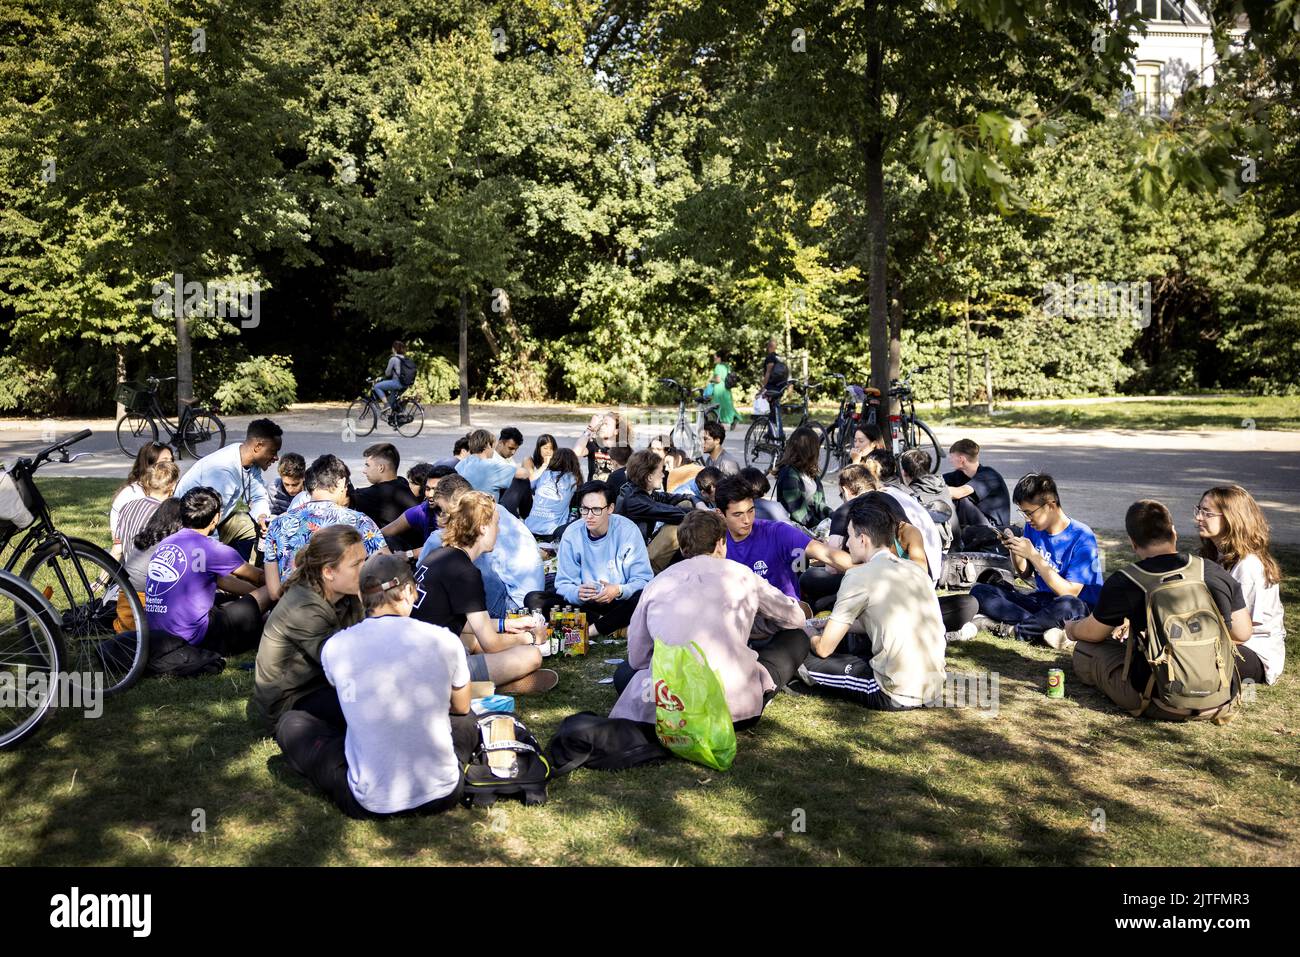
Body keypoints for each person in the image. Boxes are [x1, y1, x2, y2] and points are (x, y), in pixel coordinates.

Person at [275, 554, 479, 819]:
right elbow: (461, 707)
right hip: (443, 794)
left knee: (291, 724)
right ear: (407, 591)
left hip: (369, 802)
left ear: (361, 597)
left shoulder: (336, 647)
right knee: (467, 718)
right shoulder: (445, 640)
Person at [610, 510, 810, 730]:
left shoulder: (658, 582)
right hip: (735, 710)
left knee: (625, 673)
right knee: (796, 638)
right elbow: (796, 618)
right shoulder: (743, 575)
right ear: (720, 543)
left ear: (684, 547)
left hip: (668, 703)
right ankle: (761, 690)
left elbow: (638, 658)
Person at [1065, 500, 1251, 718]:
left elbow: (1093, 634)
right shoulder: (1211, 571)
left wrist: (1072, 628)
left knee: (1085, 650)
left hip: (1159, 700)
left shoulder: (1126, 580)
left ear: (1133, 543)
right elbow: (1242, 632)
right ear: (1173, 532)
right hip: (1220, 698)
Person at [804, 501, 947, 710]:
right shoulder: (915, 570)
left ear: (863, 539)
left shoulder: (858, 575)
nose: (847, 544)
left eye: (850, 536)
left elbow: (825, 648)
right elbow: (881, 622)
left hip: (893, 691)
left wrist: (807, 630)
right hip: (933, 686)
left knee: (805, 660)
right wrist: (828, 623)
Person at [410, 491, 555, 692]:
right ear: (483, 527)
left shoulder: (438, 557)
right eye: (497, 523)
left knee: (471, 640)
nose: (499, 529)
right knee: (532, 655)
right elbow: (492, 645)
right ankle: (480, 689)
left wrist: (509, 624)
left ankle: (486, 682)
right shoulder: (465, 571)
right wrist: (531, 638)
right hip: (432, 669)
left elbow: (460, 621)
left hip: (414, 655)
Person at [250, 525, 367, 732]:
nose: (364, 570)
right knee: (371, 702)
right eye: (356, 564)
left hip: (319, 684)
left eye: (365, 561)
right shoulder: (304, 606)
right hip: (290, 702)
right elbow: (342, 663)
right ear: (328, 572)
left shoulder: (345, 593)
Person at [970, 472, 1102, 644]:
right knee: (981, 591)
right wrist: (1015, 549)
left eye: (1029, 513)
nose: (1027, 519)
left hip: (1079, 608)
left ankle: (1013, 630)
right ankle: (1043, 628)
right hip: (1043, 601)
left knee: (1069, 606)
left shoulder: (1083, 537)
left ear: (1050, 505)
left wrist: (1033, 555)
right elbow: (1024, 574)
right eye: (1023, 513)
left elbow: (1070, 593)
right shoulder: (1033, 527)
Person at [144, 486, 270, 655]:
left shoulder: (166, 542)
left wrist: (253, 593)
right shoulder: (212, 549)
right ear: (216, 518)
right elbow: (261, 577)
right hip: (195, 637)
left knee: (230, 598)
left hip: (158, 633)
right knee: (271, 590)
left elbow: (221, 580)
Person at [533, 481, 653, 638]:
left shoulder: (628, 530)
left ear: (610, 508)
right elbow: (563, 584)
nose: (589, 516)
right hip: (586, 603)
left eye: (596, 509)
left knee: (644, 597)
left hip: (619, 601)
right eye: (584, 509)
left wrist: (618, 590)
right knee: (535, 599)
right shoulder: (572, 534)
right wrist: (577, 593)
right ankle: (613, 626)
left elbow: (643, 580)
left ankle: (591, 630)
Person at [1196, 485, 1286, 685]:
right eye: (1199, 510)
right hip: (1224, 641)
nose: (1198, 518)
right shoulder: (1215, 556)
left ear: (1231, 519)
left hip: (1253, 653)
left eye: (1207, 513)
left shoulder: (1249, 566)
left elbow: (1242, 632)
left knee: (1190, 660)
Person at [263, 454, 387, 600]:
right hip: (342, 615)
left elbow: (273, 593)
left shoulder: (277, 523)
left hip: (290, 613)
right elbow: (387, 567)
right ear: (341, 483)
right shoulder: (359, 521)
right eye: (346, 486)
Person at [417, 475, 545, 616]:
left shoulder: (481, 520)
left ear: (458, 506)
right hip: (526, 594)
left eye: (445, 510)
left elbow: (441, 543)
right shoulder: (497, 509)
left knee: (451, 551)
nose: (443, 515)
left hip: (514, 604)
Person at [714, 475, 851, 603]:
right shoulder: (714, 542)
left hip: (784, 617)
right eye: (738, 514)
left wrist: (866, 570)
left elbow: (828, 555)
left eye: (750, 510)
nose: (747, 520)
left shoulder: (777, 532)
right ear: (720, 514)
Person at [174, 418, 282, 560]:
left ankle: (247, 568)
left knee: (251, 527)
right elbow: (207, 520)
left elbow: (258, 496)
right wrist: (217, 558)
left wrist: (262, 516)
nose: (276, 458)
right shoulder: (223, 471)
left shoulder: (248, 459)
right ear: (258, 447)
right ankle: (239, 572)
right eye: (273, 452)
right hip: (190, 527)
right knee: (223, 563)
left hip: (217, 519)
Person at [614, 449, 694, 572]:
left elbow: (670, 498)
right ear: (649, 477)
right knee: (680, 525)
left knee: (685, 504)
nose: (663, 475)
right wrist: (708, 513)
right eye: (661, 471)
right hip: (632, 560)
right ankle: (653, 574)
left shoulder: (640, 490)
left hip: (640, 548)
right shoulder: (634, 500)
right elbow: (669, 512)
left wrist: (694, 500)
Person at [109, 442, 174, 557]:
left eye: (171, 460)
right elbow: (118, 545)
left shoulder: (157, 489)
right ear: (150, 466)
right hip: (134, 555)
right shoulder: (133, 494)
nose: (170, 464)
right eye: (165, 461)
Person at [943, 438, 1011, 549]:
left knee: (960, 499)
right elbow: (939, 481)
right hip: (979, 526)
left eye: (952, 457)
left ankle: (956, 545)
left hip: (995, 531)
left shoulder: (989, 476)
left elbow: (960, 492)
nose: (950, 460)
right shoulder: (961, 474)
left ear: (961, 459)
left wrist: (936, 490)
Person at [113, 460, 179, 566]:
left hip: (128, 573)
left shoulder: (127, 507)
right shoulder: (168, 515)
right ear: (173, 486)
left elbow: (117, 549)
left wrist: (101, 581)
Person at [898, 447, 959, 552]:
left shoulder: (910, 497)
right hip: (957, 546)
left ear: (904, 472)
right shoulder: (942, 486)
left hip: (938, 553)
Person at [350, 442, 418, 527]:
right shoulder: (402, 483)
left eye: (368, 465)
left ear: (381, 468)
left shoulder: (371, 495)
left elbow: (346, 497)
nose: (364, 471)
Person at [775, 426, 831, 529]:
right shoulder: (789, 474)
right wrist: (821, 526)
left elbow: (820, 505)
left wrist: (834, 517)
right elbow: (798, 513)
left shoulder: (810, 473)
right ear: (810, 450)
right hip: (796, 531)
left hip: (811, 525)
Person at [456, 429, 528, 502]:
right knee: (523, 480)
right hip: (487, 509)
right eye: (493, 447)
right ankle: (528, 512)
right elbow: (523, 474)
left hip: (465, 506)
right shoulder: (491, 466)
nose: (493, 451)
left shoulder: (461, 463)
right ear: (487, 445)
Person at [526, 447, 582, 539]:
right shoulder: (573, 479)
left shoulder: (544, 474)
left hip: (530, 528)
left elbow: (529, 485)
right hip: (552, 532)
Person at [757, 336, 790, 440]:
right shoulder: (779, 357)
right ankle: (771, 432)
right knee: (773, 409)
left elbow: (768, 373)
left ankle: (779, 433)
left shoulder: (770, 358)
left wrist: (762, 388)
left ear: (768, 347)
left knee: (775, 410)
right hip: (780, 386)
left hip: (772, 387)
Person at [575, 411, 622, 481]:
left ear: (616, 431)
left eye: (606, 424)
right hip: (593, 490)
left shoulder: (622, 450)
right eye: (602, 424)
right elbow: (575, 453)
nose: (602, 427)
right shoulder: (593, 444)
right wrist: (590, 428)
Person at [371, 340, 411, 415]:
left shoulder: (393, 359)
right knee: (392, 400)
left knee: (377, 386)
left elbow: (387, 373)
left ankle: (386, 405)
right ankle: (396, 418)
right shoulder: (405, 359)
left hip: (397, 383)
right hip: (406, 384)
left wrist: (384, 376)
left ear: (394, 349)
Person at [706, 350, 740, 427]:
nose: (714, 359)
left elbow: (718, 380)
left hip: (719, 390)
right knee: (728, 406)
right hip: (726, 389)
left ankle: (718, 422)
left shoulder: (718, 367)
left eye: (715, 358)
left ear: (719, 358)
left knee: (716, 406)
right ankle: (734, 418)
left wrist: (711, 379)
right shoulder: (727, 366)